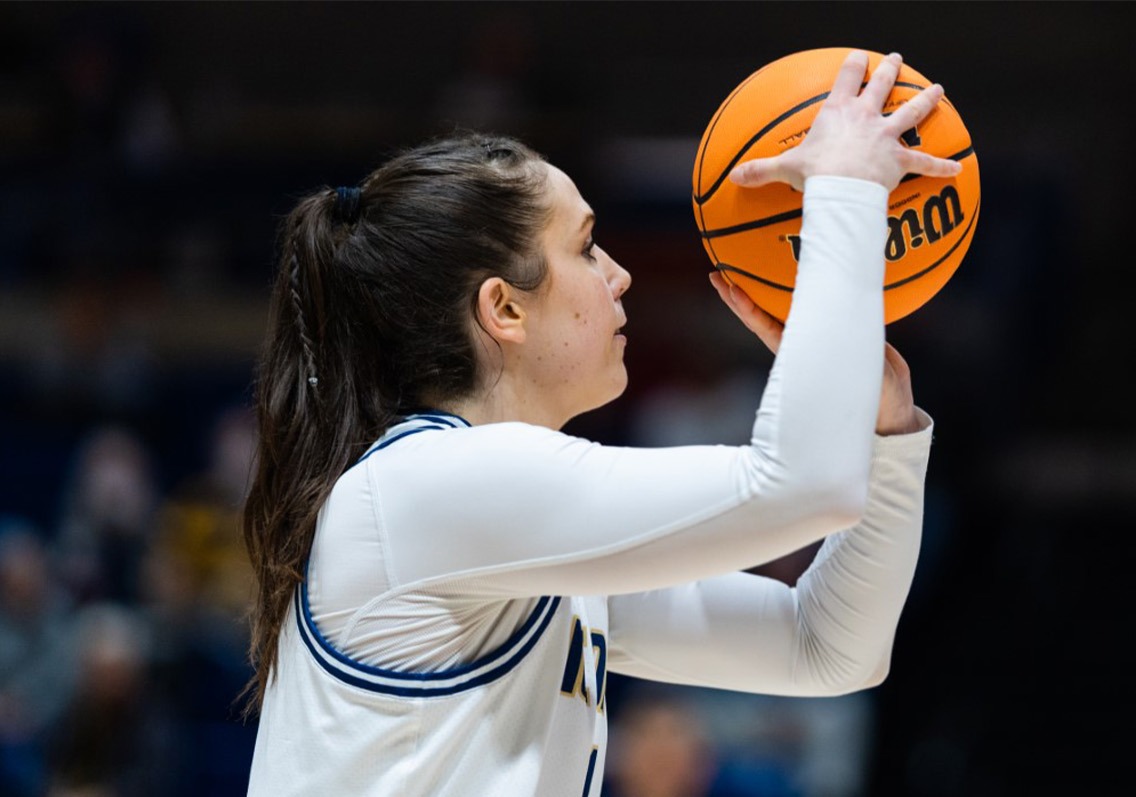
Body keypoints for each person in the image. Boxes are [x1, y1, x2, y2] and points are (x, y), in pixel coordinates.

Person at [242, 51, 960, 796]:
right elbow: (798, 486)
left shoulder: (510, 533)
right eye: (586, 247)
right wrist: (845, 190)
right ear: (504, 308)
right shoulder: (425, 486)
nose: (619, 275)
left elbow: (828, 649)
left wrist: (888, 438)